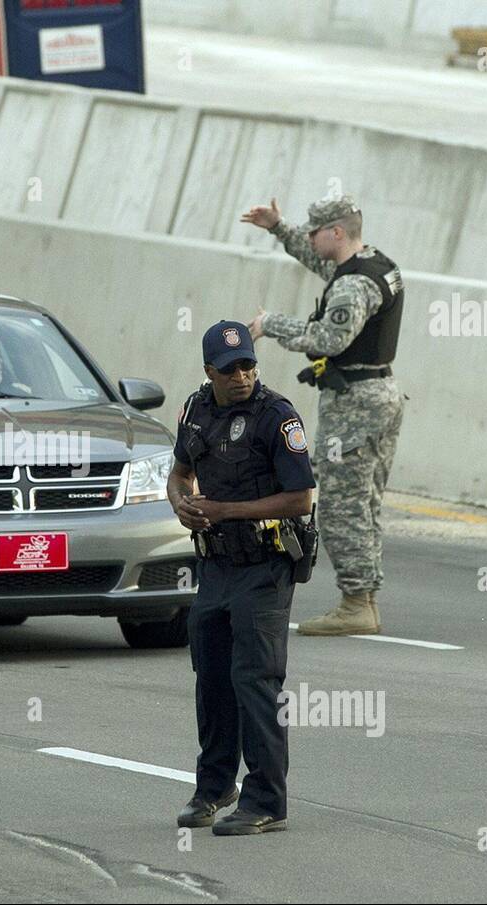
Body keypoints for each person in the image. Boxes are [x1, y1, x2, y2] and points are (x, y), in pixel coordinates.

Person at [167, 320, 315, 835]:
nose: (242, 376)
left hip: (265, 566)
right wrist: (181, 505)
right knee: (212, 679)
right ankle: (214, 788)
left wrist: (226, 510)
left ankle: (267, 802)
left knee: (256, 681)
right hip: (216, 565)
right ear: (209, 371)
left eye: (248, 365)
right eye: (230, 369)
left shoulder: (277, 416)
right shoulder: (196, 410)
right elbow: (179, 474)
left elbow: (300, 498)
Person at [240, 193, 404, 636]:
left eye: (315, 231)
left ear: (336, 232)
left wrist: (270, 324)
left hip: (355, 406)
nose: (309, 238)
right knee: (365, 502)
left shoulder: (352, 286)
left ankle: (356, 603)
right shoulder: (376, 265)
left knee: (341, 507)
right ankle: (364, 598)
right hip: (380, 395)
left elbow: (330, 339)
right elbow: (318, 259)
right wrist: (279, 227)